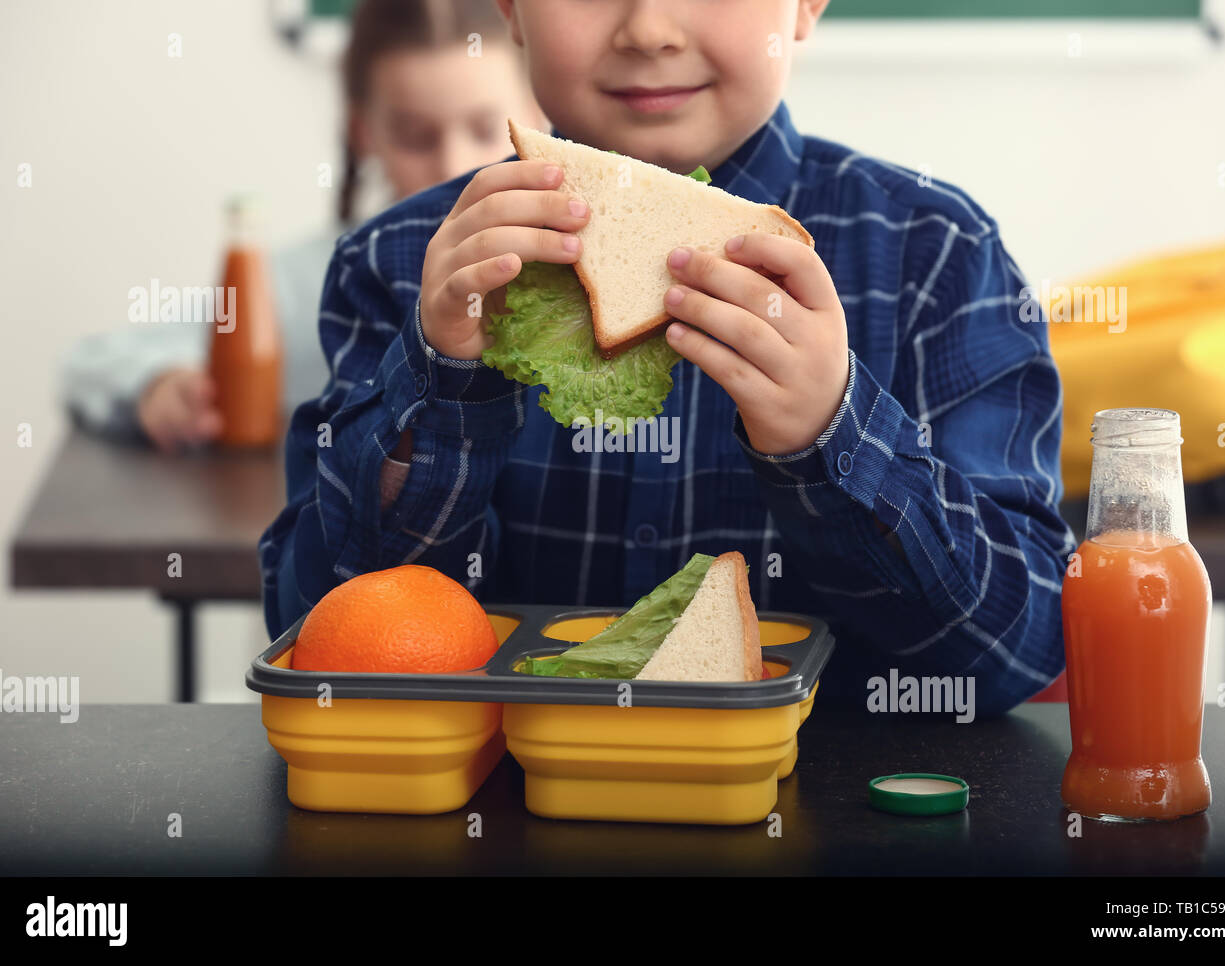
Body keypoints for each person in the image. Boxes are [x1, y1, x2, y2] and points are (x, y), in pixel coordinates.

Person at [260, 0, 1075, 716]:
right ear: (509, 7)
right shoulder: (405, 260)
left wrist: (836, 434)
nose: (648, 29)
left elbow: (1021, 649)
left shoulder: (935, 254)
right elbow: (317, 633)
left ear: (807, 3)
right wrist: (442, 380)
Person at [60, 0, 543, 452]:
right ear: (363, 132)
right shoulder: (305, 283)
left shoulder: (578, 278)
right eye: (416, 138)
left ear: (537, 113)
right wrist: (158, 386)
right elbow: (94, 361)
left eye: (484, 131)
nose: (452, 166)